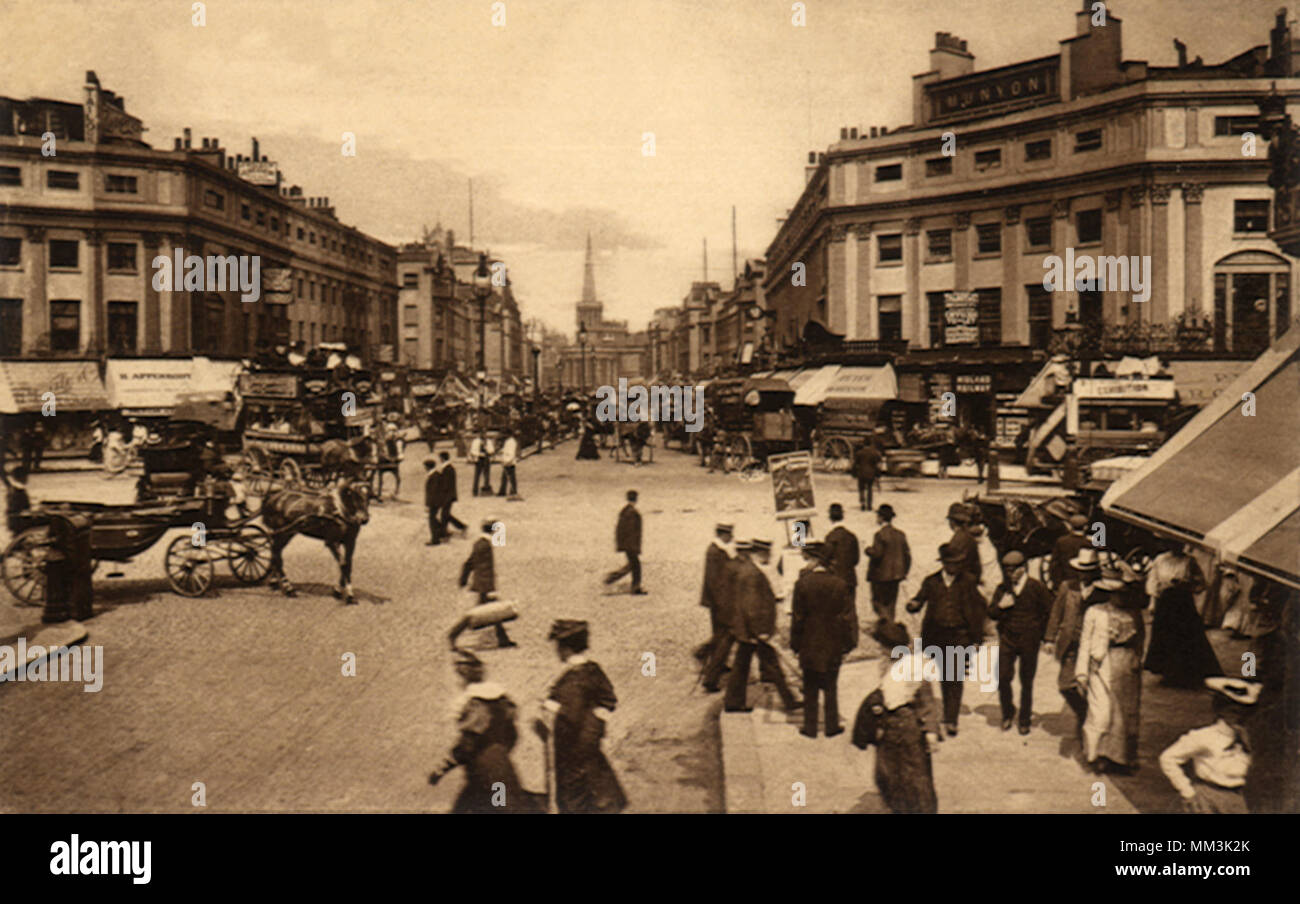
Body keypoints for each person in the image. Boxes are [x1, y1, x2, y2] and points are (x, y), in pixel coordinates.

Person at [428, 651, 542, 813]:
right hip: (496, 767)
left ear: (463, 675)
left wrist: (442, 769)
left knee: (500, 807)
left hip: (487, 771)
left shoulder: (476, 703)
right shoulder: (503, 702)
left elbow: (468, 742)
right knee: (495, 805)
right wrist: (499, 752)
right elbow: (513, 735)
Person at [536, 619, 628, 813]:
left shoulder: (573, 680)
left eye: (558, 646)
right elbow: (609, 700)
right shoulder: (593, 669)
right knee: (598, 791)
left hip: (572, 752)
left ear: (565, 648)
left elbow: (571, 716)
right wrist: (596, 726)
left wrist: (547, 708)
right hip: (590, 748)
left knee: (574, 801)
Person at [852, 619, 941, 814]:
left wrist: (931, 732)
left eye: (884, 647)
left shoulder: (914, 667)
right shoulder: (887, 666)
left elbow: (926, 702)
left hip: (909, 732)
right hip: (889, 732)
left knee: (916, 782)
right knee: (888, 778)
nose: (882, 652)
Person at [905, 543, 985, 736]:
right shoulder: (931, 582)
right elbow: (919, 600)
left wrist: (976, 638)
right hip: (937, 636)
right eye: (950, 563)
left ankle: (951, 719)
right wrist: (913, 605)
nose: (954, 567)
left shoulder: (968, 581)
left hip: (959, 635)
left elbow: (977, 610)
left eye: (957, 563)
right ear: (943, 564)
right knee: (943, 676)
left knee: (955, 677)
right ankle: (948, 713)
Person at [1076, 561, 1147, 774]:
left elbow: (1140, 640)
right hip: (1101, 665)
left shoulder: (1134, 614)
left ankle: (1122, 758)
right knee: (1101, 713)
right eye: (1115, 593)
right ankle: (1096, 755)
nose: (1119, 598)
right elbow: (1085, 643)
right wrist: (1081, 673)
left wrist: (1137, 661)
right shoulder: (1095, 612)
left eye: (1122, 593)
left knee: (1125, 715)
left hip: (1126, 666)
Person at [1158, 677, 1260, 814]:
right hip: (1207, 797)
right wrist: (1187, 791)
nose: (1240, 718)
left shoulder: (1245, 737)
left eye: (1246, 712)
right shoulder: (1204, 737)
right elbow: (1168, 758)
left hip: (1235, 798)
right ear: (1220, 710)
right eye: (1234, 711)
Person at [725, 539, 801, 714]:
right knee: (767, 664)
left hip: (748, 629)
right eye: (768, 554)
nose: (771, 557)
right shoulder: (752, 574)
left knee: (747, 666)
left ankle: (734, 702)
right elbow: (752, 606)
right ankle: (788, 701)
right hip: (755, 631)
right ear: (760, 553)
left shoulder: (748, 570)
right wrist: (761, 631)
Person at [791, 541, 856, 737]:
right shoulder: (840, 584)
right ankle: (831, 725)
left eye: (807, 559)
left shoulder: (802, 584)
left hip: (809, 642)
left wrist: (795, 645)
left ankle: (809, 727)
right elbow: (848, 617)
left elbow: (798, 618)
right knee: (830, 686)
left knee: (810, 687)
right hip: (833, 642)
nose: (805, 563)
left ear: (816, 560)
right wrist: (848, 645)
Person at [988, 550, 1053, 735]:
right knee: (1002, 677)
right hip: (1008, 639)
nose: (1009, 573)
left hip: (1029, 641)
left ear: (1023, 568)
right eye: (1006, 569)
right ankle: (1007, 713)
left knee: (1027, 681)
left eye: (1013, 569)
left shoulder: (1036, 587)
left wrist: (1044, 636)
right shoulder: (1003, 589)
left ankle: (1024, 719)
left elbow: (1049, 612)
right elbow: (991, 612)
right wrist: (1001, 607)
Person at [1043, 547, 1102, 746]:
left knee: (1091, 685)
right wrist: (1050, 638)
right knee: (1065, 685)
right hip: (1071, 643)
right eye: (1081, 569)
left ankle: (1088, 725)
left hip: (1093, 645)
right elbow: (1056, 612)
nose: (1083, 573)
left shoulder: (1102, 590)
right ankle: (1083, 712)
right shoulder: (1067, 587)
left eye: (1088, 569)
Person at [1144, 541, 1221, 687]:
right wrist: (1153, 602)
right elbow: (1153, 581)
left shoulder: (1189, 561)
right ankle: (1167, 671)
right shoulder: (1160, 560)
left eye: (1179, 545)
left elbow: (1201, 583)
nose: (1177, 547)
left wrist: (1186, 583)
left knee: (1185, 635)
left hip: (1183, 602)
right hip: (1165, 602)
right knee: (1166, 635)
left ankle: (1185, 672)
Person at [452, 518, 516, 648]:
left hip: (483, 585)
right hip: (484, 585)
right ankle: (453, 635)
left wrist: (464, 578)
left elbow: (470, 563)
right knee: (486, 613)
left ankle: (502, 639)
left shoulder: (482, 542)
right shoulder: (484, 544)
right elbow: (478, 566)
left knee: (493, 613)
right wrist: (488, 588)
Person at [698, 523, 738, 691]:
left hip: (717, 601)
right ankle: (708, 662)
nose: (732, 538)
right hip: (719, 602)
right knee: (724, 636)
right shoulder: (715, 552)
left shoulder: (715, 550)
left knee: (720, 634)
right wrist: (724, 605)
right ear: (723, 534)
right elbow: (715, 582)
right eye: (730, 534)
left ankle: (714, 661)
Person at [865, 504, 911, 624]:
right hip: (896, 575)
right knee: (891, 602)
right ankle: (890, 625)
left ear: (881, 518)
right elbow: (907, 555)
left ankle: (885, 625)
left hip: (880, 575)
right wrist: (904, 572)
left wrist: (868, 550)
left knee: (878, 602)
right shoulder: (900, 534)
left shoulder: (880, 535)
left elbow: (877, 554)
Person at [603, 490, 645, 594]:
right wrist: (634, 547)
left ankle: (610, 579)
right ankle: (635, 587)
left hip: (627, 544)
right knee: (635, 565)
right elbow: (632, 532)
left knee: (633, 565)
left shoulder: (625, 511)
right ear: (636, 499)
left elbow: (620, 530)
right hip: (630, 545)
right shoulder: (632, 512)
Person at [823, 502, 860, 614]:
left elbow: (825, 558)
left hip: (835, 578)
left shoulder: (830, 537)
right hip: (850, 578)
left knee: (835, 611)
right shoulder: (851, 536)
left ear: (829, 517)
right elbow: (856, 559)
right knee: (850, 611)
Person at [1049, 514, 1091, 589]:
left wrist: (1057, 583)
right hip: (1084, 583)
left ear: (1071, 527)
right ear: (1085, 527)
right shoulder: (1089, 543)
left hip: (1065, 581)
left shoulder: (1061, 541)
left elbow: (1054, 564)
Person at [944, 502, 981, 583]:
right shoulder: (970, 537)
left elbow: (953, 567)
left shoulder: (957, 539)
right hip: (972, 579)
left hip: (961, 581)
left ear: (952, 522)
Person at [438, 451, 466, 538]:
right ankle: (446, 530)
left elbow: (445, 484)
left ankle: (459, 527)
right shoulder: (449, 468)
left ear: (442, 459)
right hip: (450, 494)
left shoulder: (447, 469)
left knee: (444, 514)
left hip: (447, 495)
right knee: (445, 514)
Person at [3, 467, 34, 538]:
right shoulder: (19, 492)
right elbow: (22, 508)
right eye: (26, 476)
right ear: (21, 477)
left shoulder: (13, 489)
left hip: (15, 519)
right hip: (20, 520)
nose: (28, 479)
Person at [852, 441, 883, 512]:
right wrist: (878, 474)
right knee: (870, 489)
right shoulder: (875, 453)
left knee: (861, 489)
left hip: (861, 473)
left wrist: (853, 473)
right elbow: (879, 465)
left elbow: (855, 464)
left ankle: (862, 503)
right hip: (871, 474)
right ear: (871, 444)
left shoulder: (859, 453)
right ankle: (869, 505)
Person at [423, 456, 446, 545]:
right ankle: (442, 532)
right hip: (437, 501)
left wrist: (428, 505)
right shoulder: (437, 474)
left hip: (434, 502)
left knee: (431, 520)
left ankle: (435, 539)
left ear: (428, 467)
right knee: (433, 518)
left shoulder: (433, 476)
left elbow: (432, 492)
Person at [496, 429, 520, 498]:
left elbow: (511, 453)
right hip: (506, 461)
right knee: (504, 477)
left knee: (511, 477)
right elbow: (505, 449)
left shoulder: (512, 442)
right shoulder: (508, 441)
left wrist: (507, 461)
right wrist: (501, 451)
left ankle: (513, 491)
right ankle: (502, 491)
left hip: (509, 462)